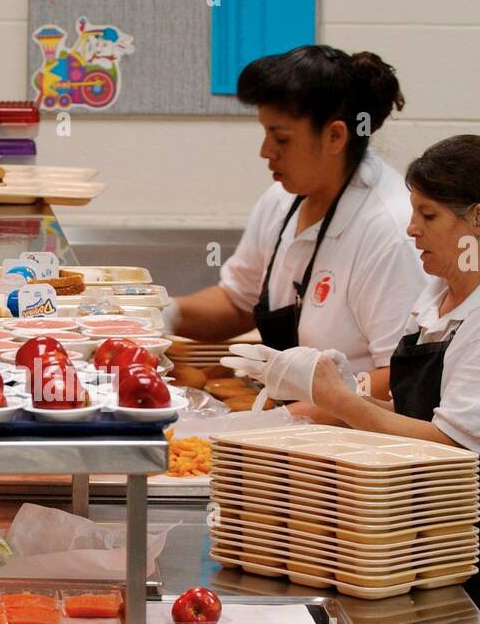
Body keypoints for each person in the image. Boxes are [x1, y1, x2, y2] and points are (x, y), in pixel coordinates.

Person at [249, 135, 480, 624]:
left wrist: (342, 402)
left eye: (428, 215)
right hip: (414, 541)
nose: (411, 228)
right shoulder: (437, 299)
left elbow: (449, 446)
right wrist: (313, 406)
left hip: (477, 564)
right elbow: (416, 413)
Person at [168, 45, 426, 404]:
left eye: (281, 138)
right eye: (265, 133)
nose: (265, 151)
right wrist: (165, 313)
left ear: (335, 136)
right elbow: (237, 302)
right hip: (293, 422)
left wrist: (305, 411)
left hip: (355, 440)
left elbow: (399, 376)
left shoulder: (389, 229)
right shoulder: (282, 200)